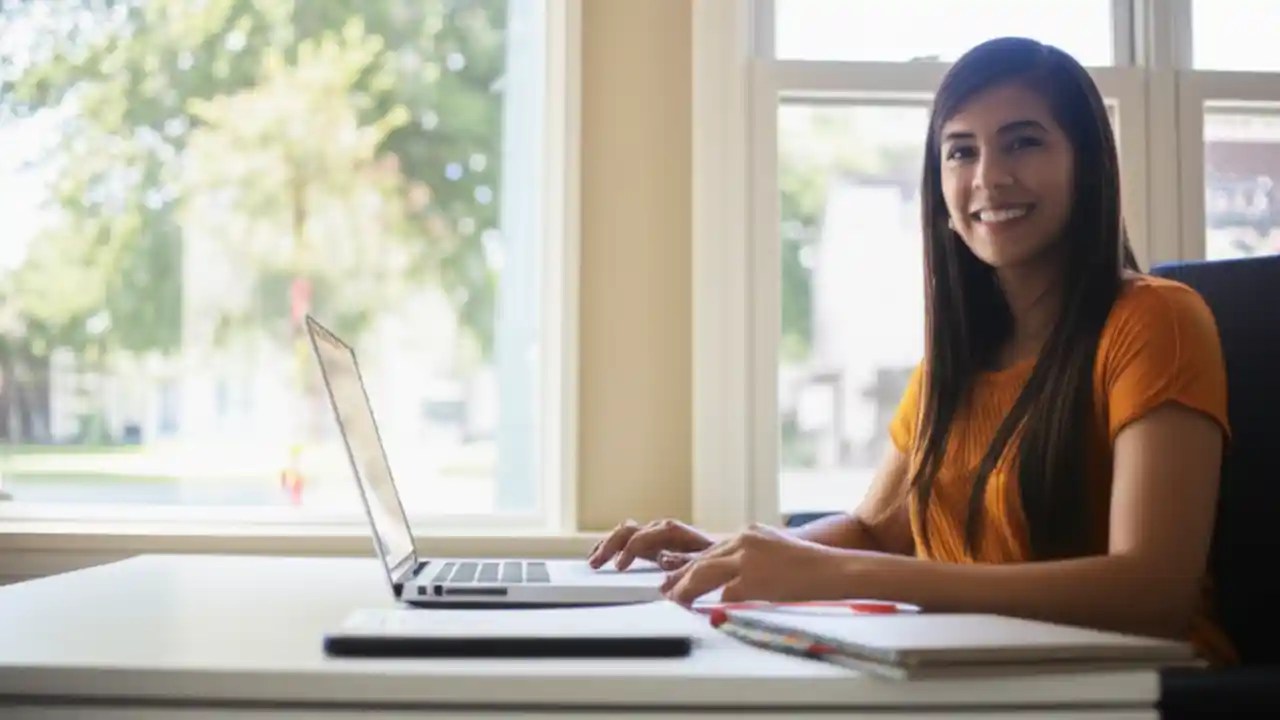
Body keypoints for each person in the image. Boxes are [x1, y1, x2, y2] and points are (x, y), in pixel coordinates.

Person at [588, 36, 1236, 666]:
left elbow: (1154, 593)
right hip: (972, 677)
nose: (989, 177)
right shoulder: (959, 358)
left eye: (1024, 142)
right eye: (960, 152)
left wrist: (845, 573)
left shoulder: (1157, 319)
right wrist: (734, 551)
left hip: (1135, 694)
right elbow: (873, 531)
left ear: (1087, 164)